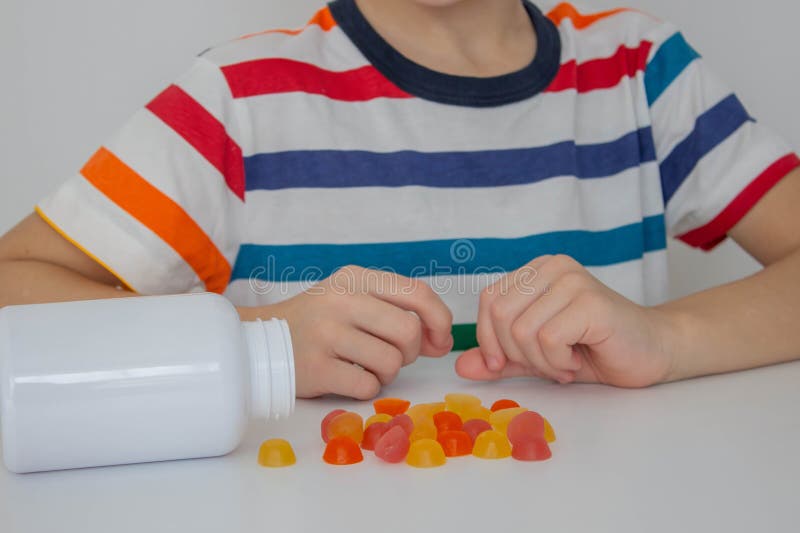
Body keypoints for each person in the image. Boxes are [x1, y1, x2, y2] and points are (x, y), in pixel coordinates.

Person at [1, 0, 799, 399]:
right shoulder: (237, 101)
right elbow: (14, 288)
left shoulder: (641, 72)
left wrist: (663, 339)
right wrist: (260, 342)